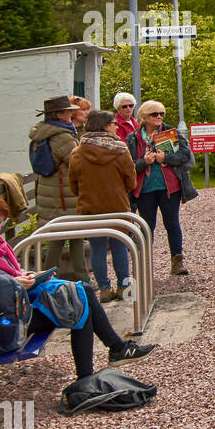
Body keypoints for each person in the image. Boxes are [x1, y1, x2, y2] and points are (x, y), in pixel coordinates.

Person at [0, 191, 154, 379]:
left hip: (14, 311)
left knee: (81, 294)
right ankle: (100, 363)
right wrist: (15, 284)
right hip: (0, 327)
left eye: (1, 222)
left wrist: (25, 276)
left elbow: (1, 277)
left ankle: (100, 364)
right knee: (79, 298)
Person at [69, 109, 137, 302]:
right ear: (106, 125)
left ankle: (104, 289)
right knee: (119, 246)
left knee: (97, 248)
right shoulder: (120, 149)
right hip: (117, 206)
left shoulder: (77, 152)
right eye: (114, 123)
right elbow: (131, 182)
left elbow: (73, 184)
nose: (116, 126)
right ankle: (124, 286)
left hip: (90, 208)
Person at [126, 101, 198, 275]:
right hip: (144, 189)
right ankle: (143, 264)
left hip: (169, 187)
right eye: (154, 114)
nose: (159, 117)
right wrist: (145, 162)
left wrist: (166, 158)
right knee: (147, 226)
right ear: (144, 117)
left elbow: (185, 155)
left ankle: (177, 261)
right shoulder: (133, 138)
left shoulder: (170, 132)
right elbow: (127, 165)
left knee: (172, 223)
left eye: (161, 114)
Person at [29, 95, 89, 284]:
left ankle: (60, 278)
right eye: (68, 111)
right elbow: (77, 162)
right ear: (59, 114)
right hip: (64, 196)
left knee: (62, 237)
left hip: (51, 194)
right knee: (68, 238)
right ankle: (53, 279)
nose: (71, 114)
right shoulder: (62, 136)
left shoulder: (42, 133)